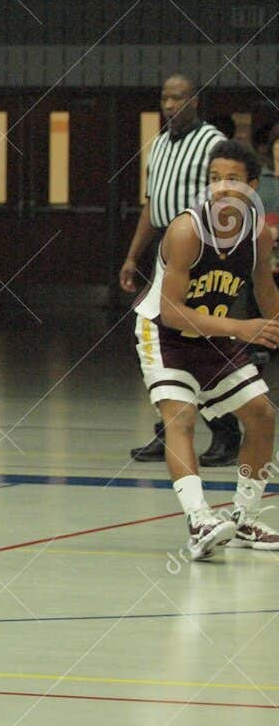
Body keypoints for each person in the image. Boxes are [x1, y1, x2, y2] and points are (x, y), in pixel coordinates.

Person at [132, 140, 279, 556]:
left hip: (214, 333)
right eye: (213, 179)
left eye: (231, 179)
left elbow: (264, 288)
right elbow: (173, 312)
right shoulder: (187, 230)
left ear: (252, 186)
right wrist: (242, 328)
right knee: (180, 418)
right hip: (163, 332)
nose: (220, 188)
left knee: (262, 415)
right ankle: (198, 521)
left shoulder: (258, 235)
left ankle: (244, 518)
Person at [121, 73, 238, 465]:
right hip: (163, 253)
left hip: (200, 251)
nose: (170, 105)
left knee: (197, 341)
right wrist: (133, 256)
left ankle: (226, 431)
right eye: (165, 98)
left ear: (195, 101)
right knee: (158, 342)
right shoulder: (157, 145)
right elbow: (153, 205)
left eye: (178, 98)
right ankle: (169, 429)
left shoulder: (211, 144)